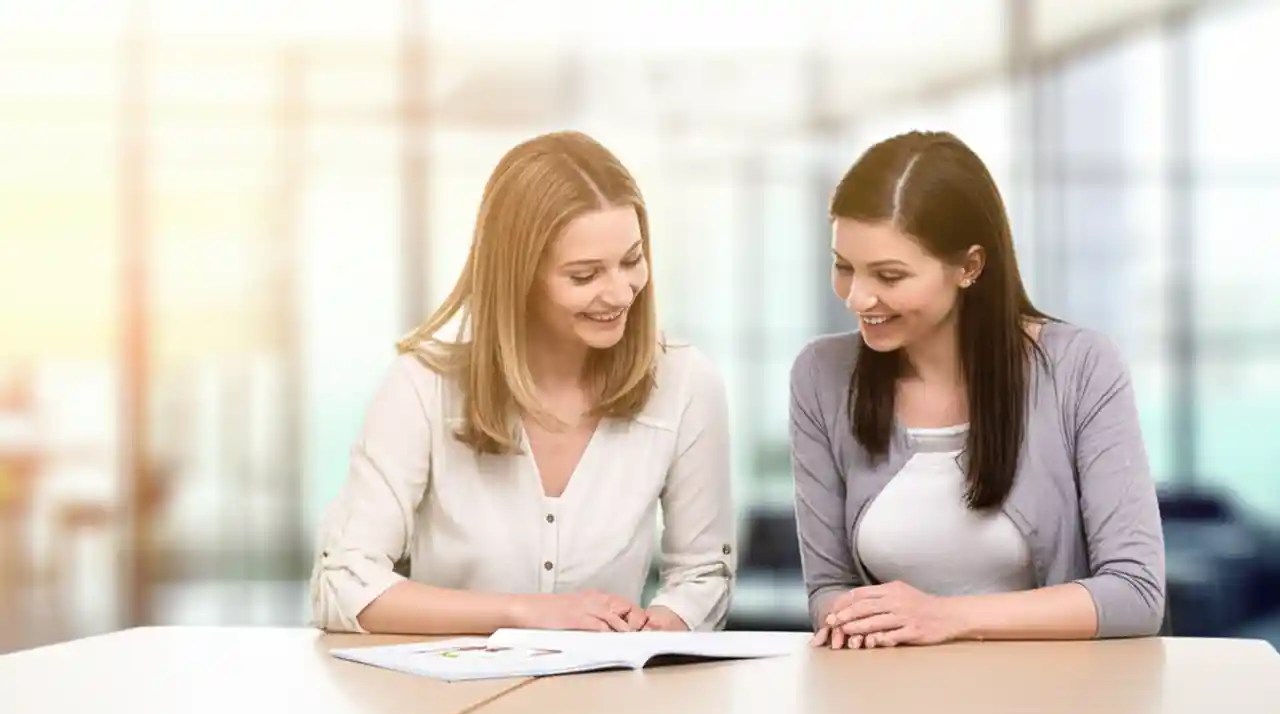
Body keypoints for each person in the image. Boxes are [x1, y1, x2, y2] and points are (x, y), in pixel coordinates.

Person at [311, 131, 735, 635]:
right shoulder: (423, 387)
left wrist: (662, 626)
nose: (621, 292)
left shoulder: (686, 384)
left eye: (632, 260)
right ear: (519, 278)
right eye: (584, 275)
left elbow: (703, 574)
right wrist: (521, 613)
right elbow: (343, 585)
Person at [791, 130, 1165, 649]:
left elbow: (1135, 594)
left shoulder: (1081, 368)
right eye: (843, 266)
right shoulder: (820, 375)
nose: (857, 297)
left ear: (969, 267)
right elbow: (829, 590)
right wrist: (859, 623)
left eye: (890, 275)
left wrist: (946, 618)